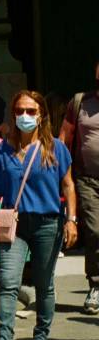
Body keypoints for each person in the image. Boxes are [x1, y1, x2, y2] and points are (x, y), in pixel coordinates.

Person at [0, 90, 77, 340]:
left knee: (44, 284)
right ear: (14, 114)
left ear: (42, 115)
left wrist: (71, 220)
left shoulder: (56, 148)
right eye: (20, 111)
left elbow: (68, 185)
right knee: (8, 281)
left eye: (31, 111)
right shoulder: (3, 149)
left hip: (48, 224)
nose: (25, 116)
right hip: (13, 223)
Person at [59, 58, 99, 315]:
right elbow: (64, 138)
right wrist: (58, 173)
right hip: (88, 180)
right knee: (96, 230)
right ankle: (96, 285)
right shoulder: (80, 102)